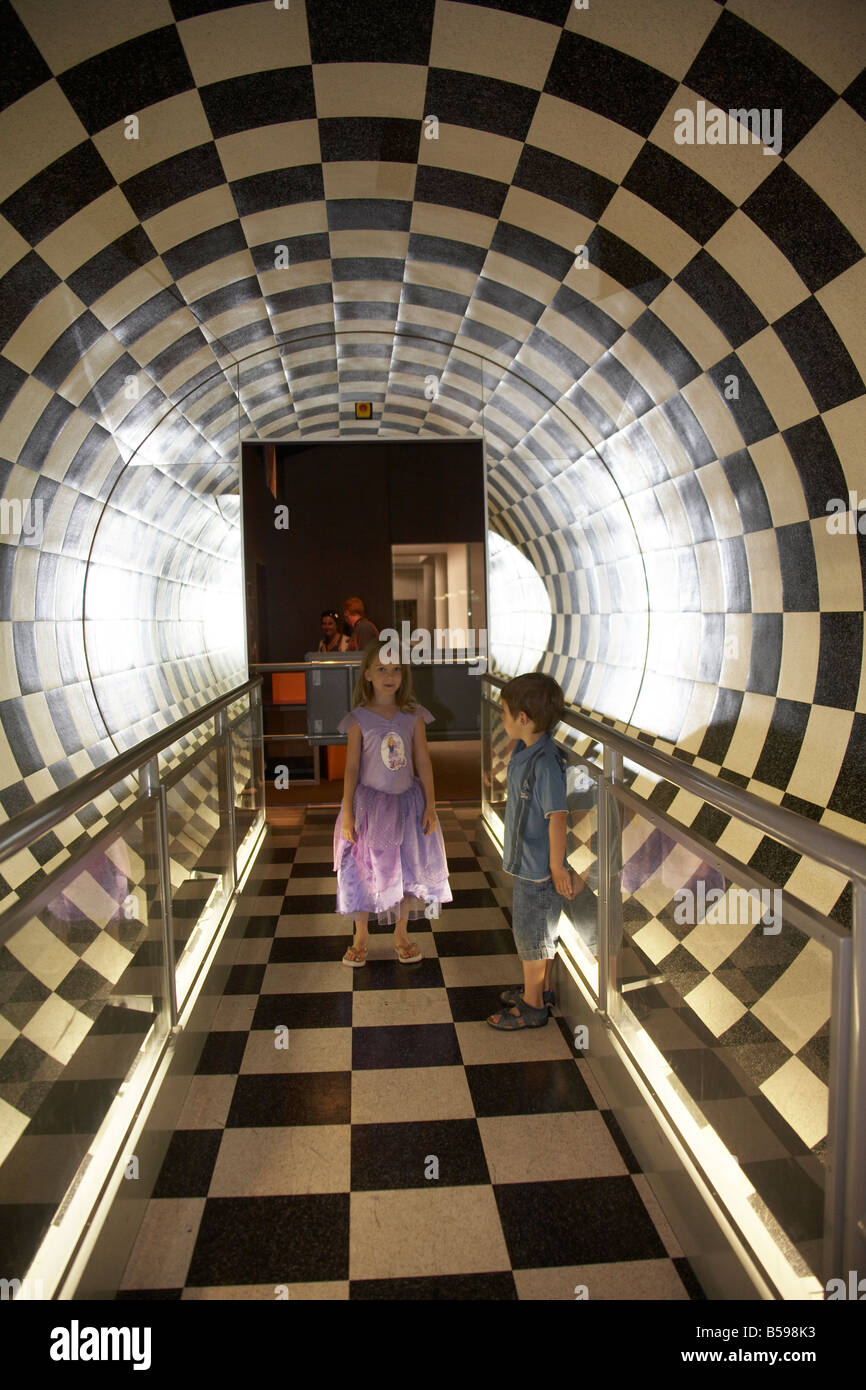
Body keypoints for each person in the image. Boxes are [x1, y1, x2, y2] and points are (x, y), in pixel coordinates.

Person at [334, 644, 452, 965]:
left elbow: (423, 761)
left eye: (396, 669)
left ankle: (401, 932)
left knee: (405, 867)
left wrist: (431, 804)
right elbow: (352, 769)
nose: (390, 675)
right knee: (363, 868)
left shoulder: (414, 716)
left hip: (407, 807)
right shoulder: (358, 719)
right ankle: (360, 935)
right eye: (382, 669)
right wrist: (348, 814)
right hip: (370, 809)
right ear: (368, 675)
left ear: (404, 675)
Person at [488, 672, 584, 1030]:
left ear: (523, 719)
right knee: (534, 934)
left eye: (504, 712)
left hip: (540, 871)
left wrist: (557, 867)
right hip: (529, 865)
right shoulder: (528, 752)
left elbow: (557, 816)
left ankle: (532, 1007)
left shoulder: (544, 763)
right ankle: (539, 989)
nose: (501, 717)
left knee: (531, 937)